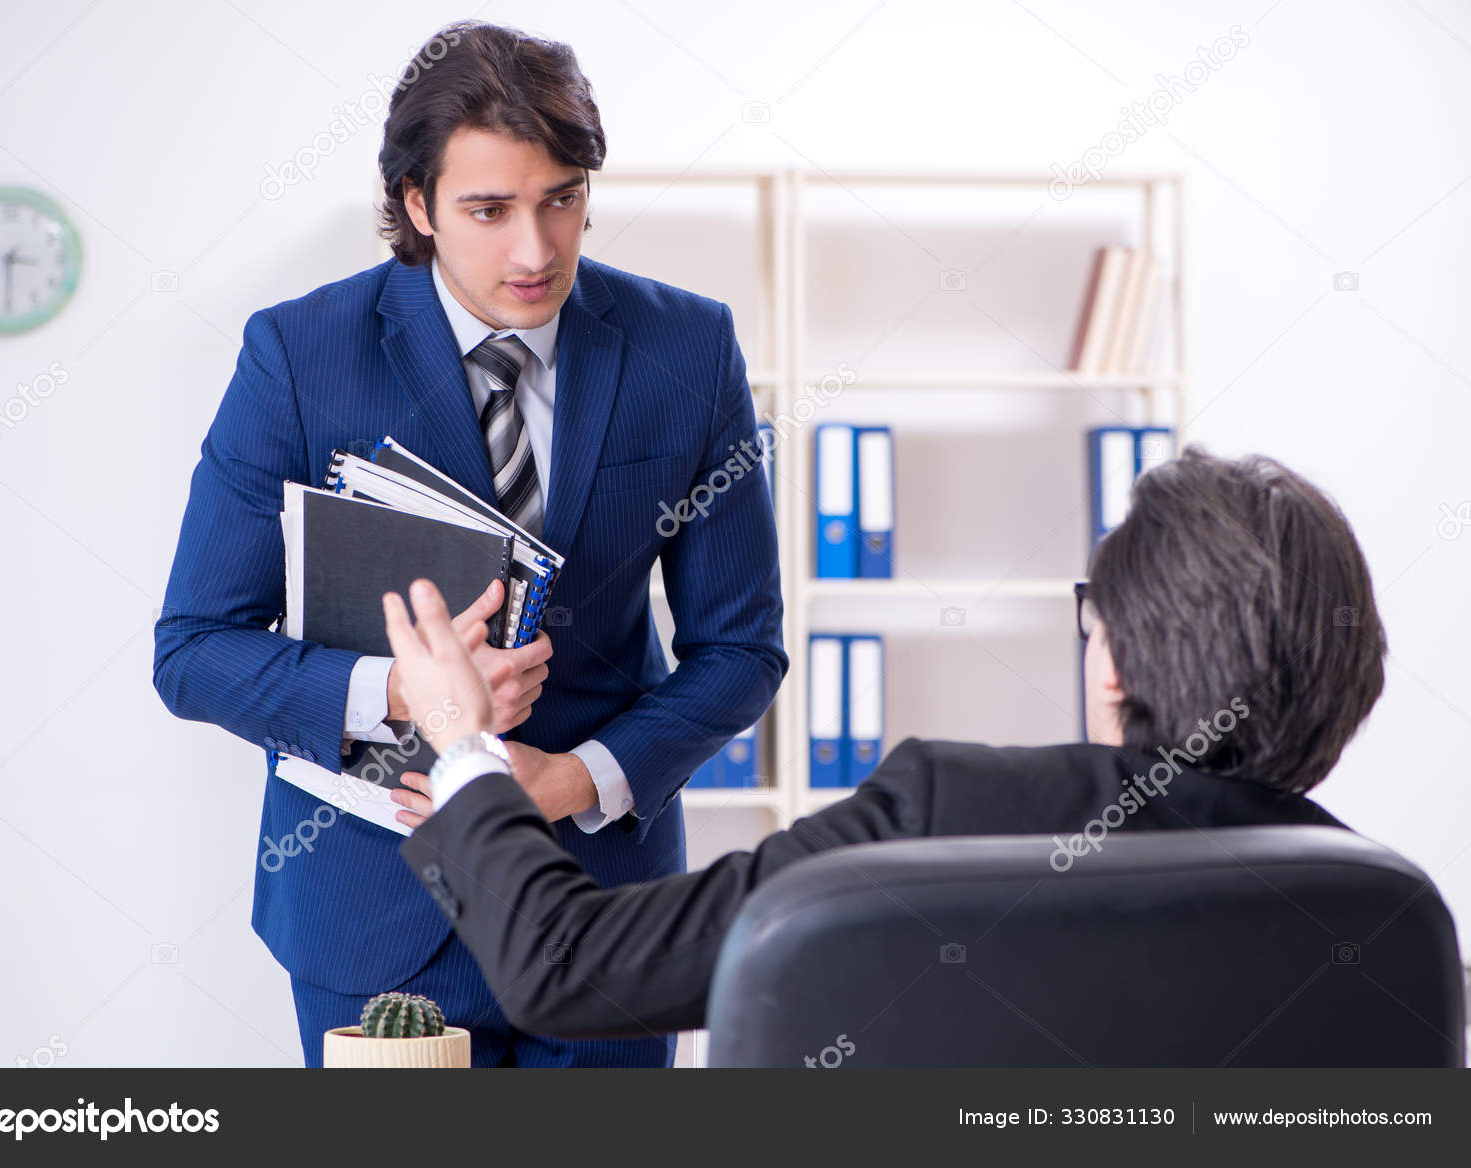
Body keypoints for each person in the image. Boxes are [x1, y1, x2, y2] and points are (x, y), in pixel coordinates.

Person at [153, 21, 785, 1067]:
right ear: (415, 205)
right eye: (488, 211)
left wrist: (574, 777)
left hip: (601, 908)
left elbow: (742, 646)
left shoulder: (688, 346)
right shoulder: (300, 355)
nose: (534, 252)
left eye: (561, 200)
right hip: (371, 912)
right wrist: (406, 697)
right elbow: (193, 648)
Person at [383, 447, 1387, 1037]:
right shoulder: (1387, 918)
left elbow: (570, 965)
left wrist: (461, 740)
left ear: (1116, 662)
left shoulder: (947, 820)